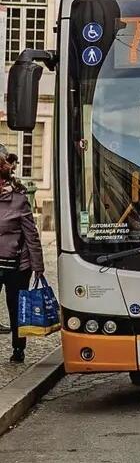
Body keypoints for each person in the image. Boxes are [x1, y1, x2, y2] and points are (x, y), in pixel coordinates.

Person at [0, 153, 45, 363]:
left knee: (16, 308)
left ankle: (18, 349)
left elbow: (31, 235)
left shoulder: (18, 200)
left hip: (16, 266)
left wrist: (38, 266)